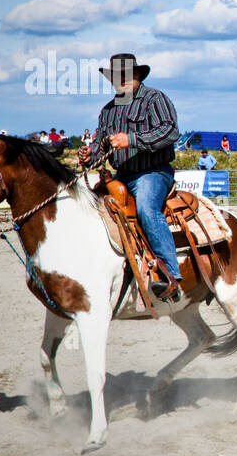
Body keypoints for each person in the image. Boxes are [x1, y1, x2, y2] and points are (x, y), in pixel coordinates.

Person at [78, 53, 182, 302]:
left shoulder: (153, 99)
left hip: (153, 173)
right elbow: (99, 149)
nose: (122, 80)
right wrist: (88, 156)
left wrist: (131, 139)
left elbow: (169, 131)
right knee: (87, 208)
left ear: (138, 76)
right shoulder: (107, 111)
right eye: (117, 76)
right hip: (121, 176)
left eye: (127, 75)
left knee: (147, 208)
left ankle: (170, 276)